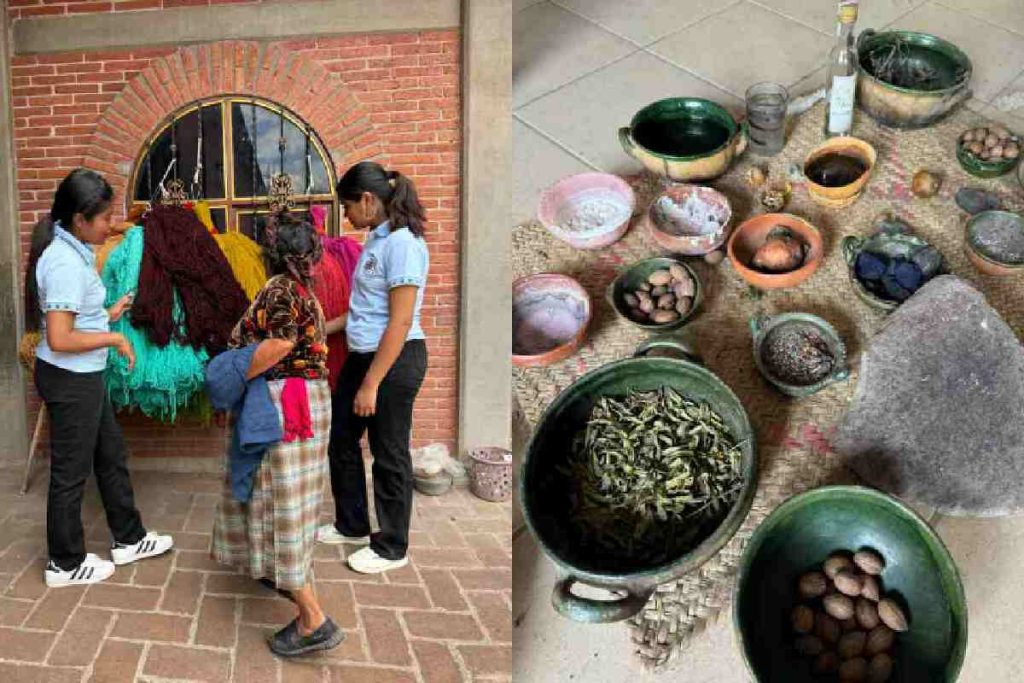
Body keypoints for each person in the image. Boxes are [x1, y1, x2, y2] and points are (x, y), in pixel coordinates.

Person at [24, 168, 174, 588]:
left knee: (111, 456)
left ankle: (129, 539)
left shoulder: (72, 250)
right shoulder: (64, 262)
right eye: (104, 218)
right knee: (70, 473)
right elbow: (59, 337)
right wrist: (113, 338)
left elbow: (73, 319)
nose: (111, 226)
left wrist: (106, 313)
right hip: (71, 379)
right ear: (79, 219)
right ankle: (64, 563)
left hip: (82, 378)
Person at [211, 214, 343, 657]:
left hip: (285, 406)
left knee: (279, 506)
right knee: (292, 504)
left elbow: (282, 343)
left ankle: (313, 619)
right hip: (303, 403)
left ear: (271, 256)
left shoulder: (280, 288)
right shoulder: (305, 290)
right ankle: (282, 575)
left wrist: (228, 376)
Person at [317, 161, 429, 575]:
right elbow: (365, 311)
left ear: (368, 200)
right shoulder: (377, 242)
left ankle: (392, 547)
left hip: (393, 362)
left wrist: (372, 384)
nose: (345, 217)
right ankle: (352, 523)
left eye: (348, 207)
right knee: (341, 439)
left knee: (389, 453)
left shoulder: (402, 243)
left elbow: (399, 321)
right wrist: (322, 329)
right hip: (365, 357)